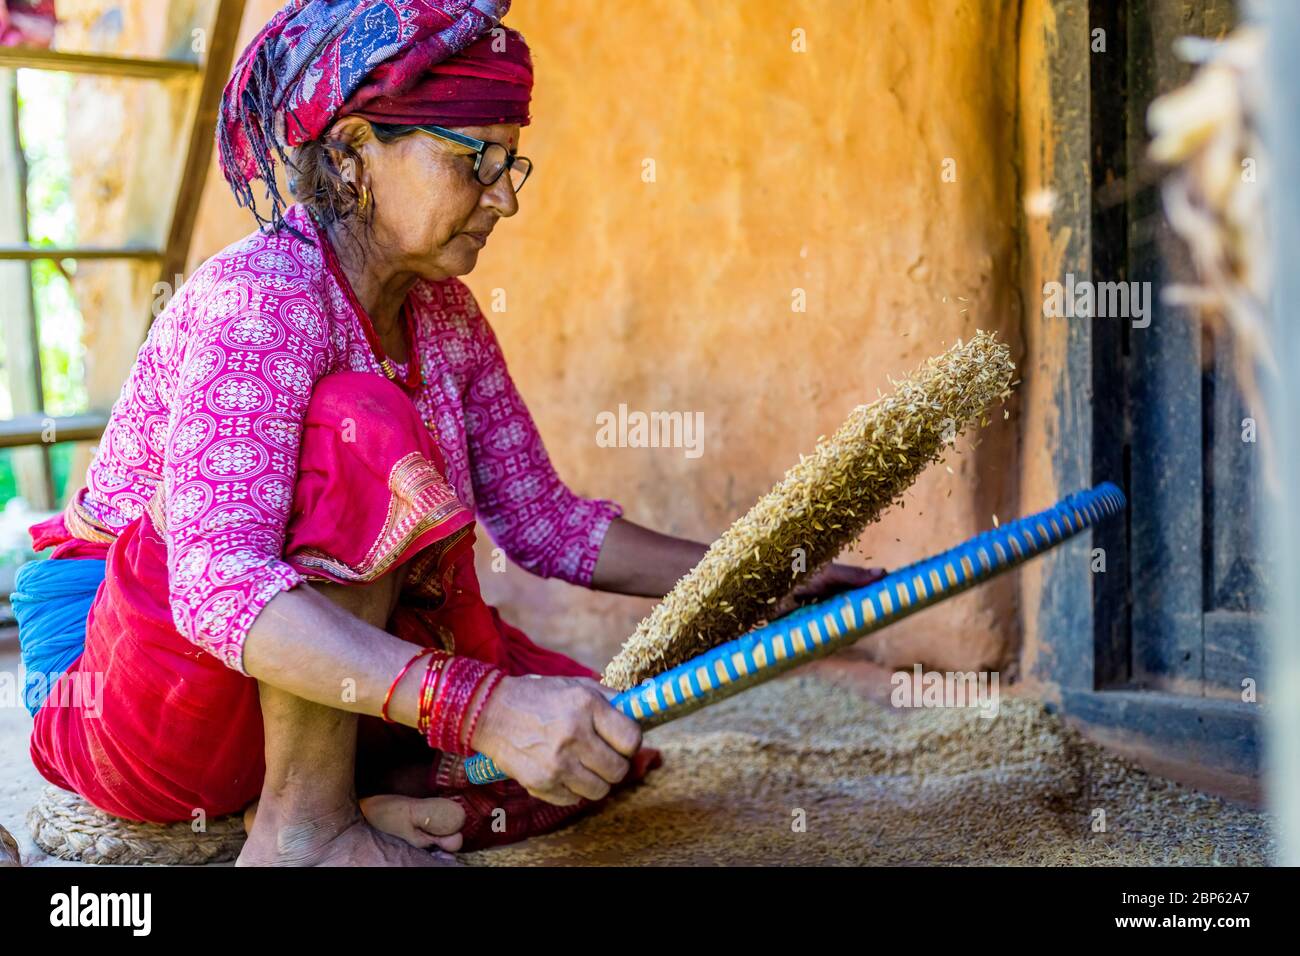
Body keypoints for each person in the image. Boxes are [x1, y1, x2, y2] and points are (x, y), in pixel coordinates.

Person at [14, 0, 881, 866]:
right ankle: (304, 833)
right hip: (135, 691)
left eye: (513, 161)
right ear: (354, 154)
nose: (504, 196)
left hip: (269, 678)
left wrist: (765, 574)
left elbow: (548, 524)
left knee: (590, 738)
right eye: (477, 160)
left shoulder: (445, 313)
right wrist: (482, 708)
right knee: (361, 429)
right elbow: (217, 589)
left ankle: (340, 801)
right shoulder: (262, 296)